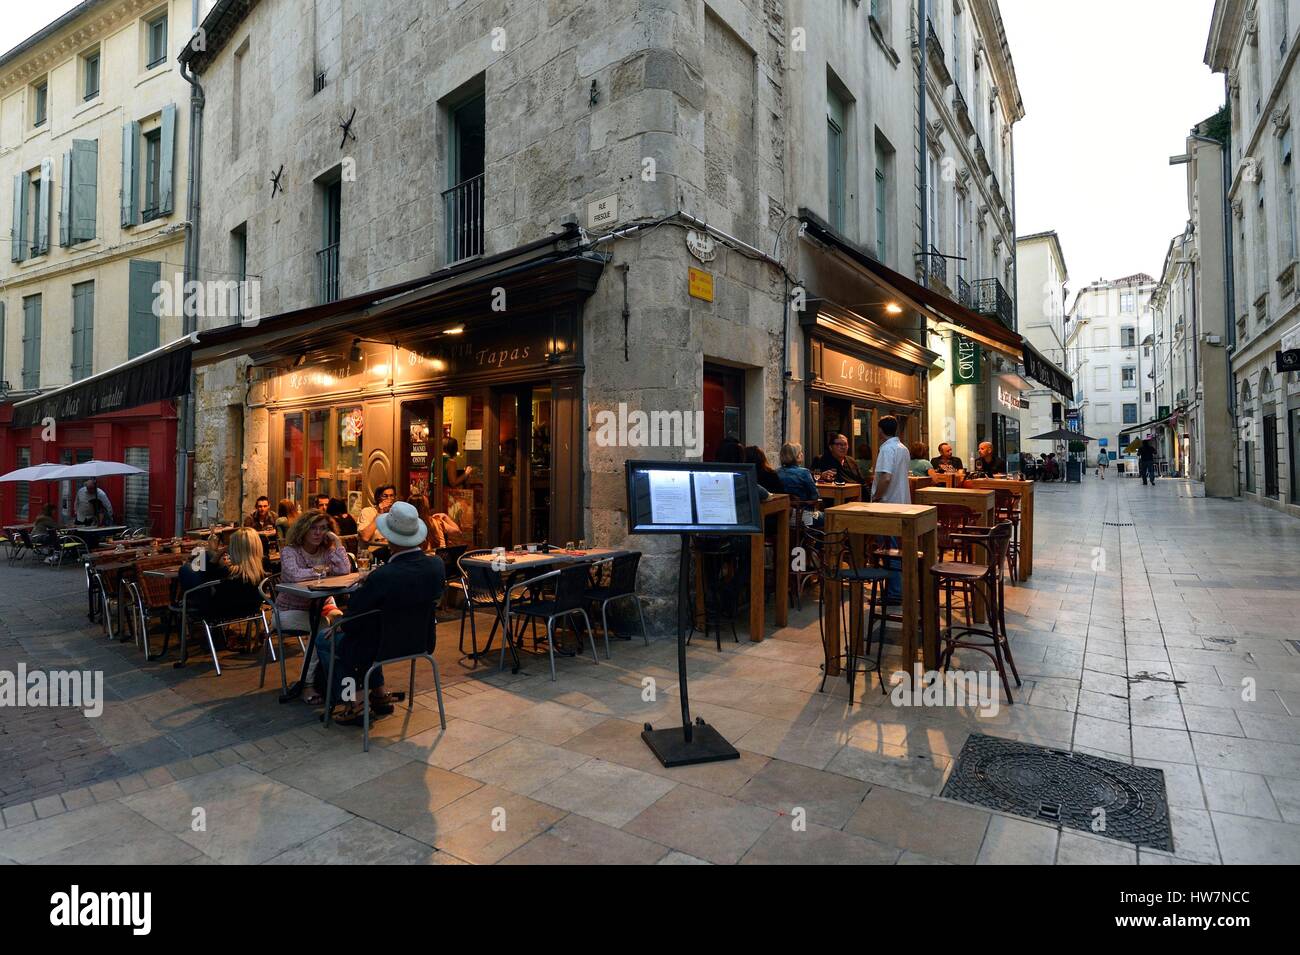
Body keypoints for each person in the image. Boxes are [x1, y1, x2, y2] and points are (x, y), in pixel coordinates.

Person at [315, 501, 446, 726]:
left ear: (390, 538)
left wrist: (340, 623)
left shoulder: (384, 575)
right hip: (420, 641)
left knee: (328, 640)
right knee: (368, 633)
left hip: (380, 645)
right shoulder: (436, 565)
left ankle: (353, 702)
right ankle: (378, 693)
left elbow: (356, 612)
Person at [277, 511, 351, 704]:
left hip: (323, 605)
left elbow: (344, 571)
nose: (318, 533)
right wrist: (322, 571)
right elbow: (294, 575)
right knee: (322, 629)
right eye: (314, 528)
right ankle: (308, 684)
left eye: (323, 528)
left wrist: (338, 542)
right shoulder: (290, 551)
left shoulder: (326, 550)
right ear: (303, 528)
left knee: (347, 625)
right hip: (289, 610)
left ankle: (339, 683)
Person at [178, 528, 267, 651]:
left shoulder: (227, 572)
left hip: (216, 610)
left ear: (235, 549)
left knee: (186, 569)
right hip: (250, 608)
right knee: (207, 555)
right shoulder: (262, 571)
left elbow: (207, 575)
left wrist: (220, 553)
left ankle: (183, 597)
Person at [870, 416, 910, 603]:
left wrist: (876, 497)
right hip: (902, 503)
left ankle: (894, 592)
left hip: (888, 504)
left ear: (880, 430)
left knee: (889, 548)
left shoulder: (886, 449)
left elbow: (885, 477)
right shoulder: (903, 448)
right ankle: (899, 588)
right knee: (896, 548)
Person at [358, 484, 397, 558]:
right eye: (385, 496)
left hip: (391, 553)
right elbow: (365, 537)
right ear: (378, 498)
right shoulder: (368, 511)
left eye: (391, 496)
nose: (389, 499)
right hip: (371, 554)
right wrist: (379, 513)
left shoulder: (395, 514)